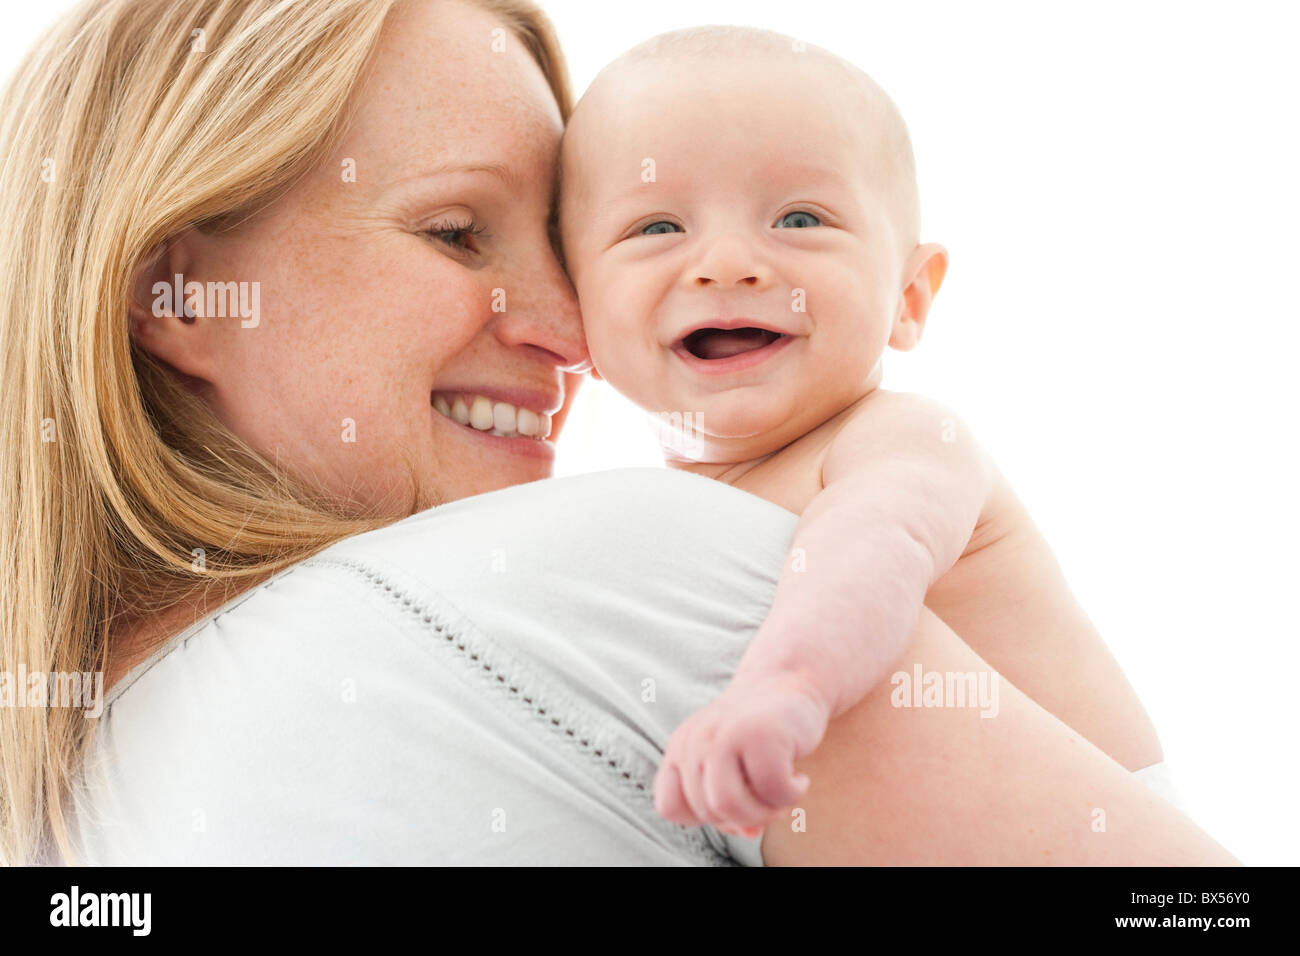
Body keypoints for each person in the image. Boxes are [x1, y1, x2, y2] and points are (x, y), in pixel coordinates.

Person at [0, 0, 1237, 865]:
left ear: (912, 288)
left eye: (559, 242)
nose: (568, 325)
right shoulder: (633, 572)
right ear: (170, 298)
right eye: (454, 233)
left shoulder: (74, 804)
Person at [556, 26, 1183, 839]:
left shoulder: (899, 440)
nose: (728, 263)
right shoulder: (656, 510)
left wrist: (784, 690)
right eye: (656, 228)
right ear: (576, 312)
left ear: (910, 297)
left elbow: (866, 552)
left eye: (798, 217)